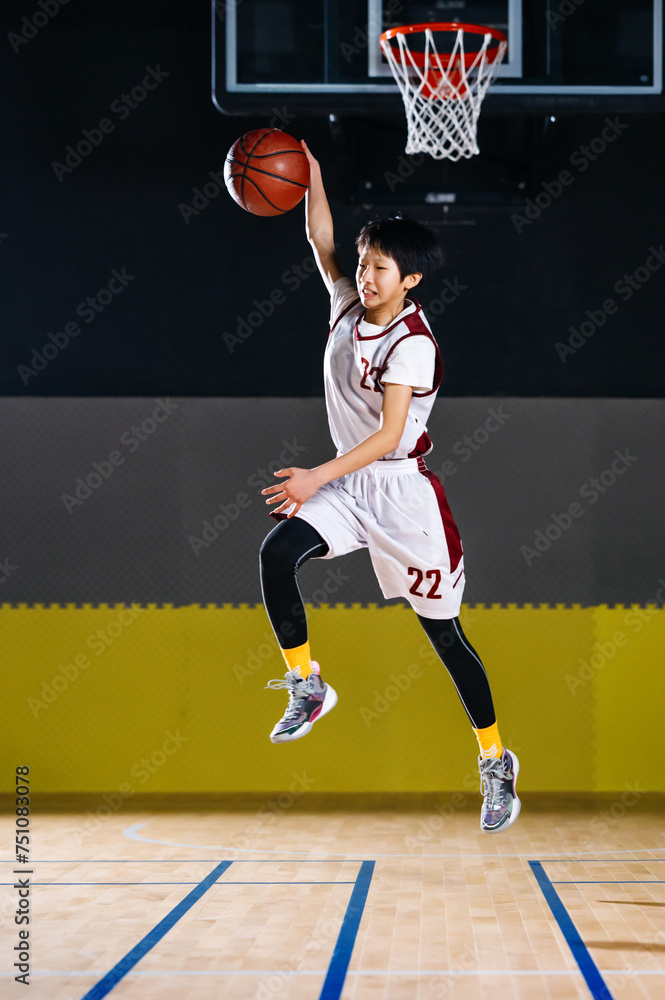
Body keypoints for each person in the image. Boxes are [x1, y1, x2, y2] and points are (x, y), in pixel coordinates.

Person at [259, 140, 520, 834]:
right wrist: (310, 174)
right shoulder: (346, 305)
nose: (365, 275)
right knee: (275, 554)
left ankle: (494, 761)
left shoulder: (412, 343)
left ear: (410, 281)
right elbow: (321, 243)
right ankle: (308, 685)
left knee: (444, 639)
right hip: (349, 484)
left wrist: (315, 474)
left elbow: (387, 434)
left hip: (401, 494)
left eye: (379, 268)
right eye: (366, 262)